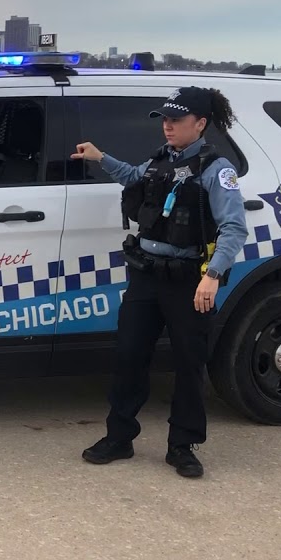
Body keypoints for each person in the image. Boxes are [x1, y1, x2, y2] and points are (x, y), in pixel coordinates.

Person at [72, 86, 246, 479]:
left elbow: (234, 229)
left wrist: (212, 277)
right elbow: (135, 178)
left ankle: (182, 445)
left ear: (200, 124)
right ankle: (119, 438)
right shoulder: (160, 161)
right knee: (129, 356)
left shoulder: (217, 171)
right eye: (165, 120)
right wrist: (102, 158)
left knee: (188, 364)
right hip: (147, 274)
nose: (167, 126)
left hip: (189, 281)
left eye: (176, 120)